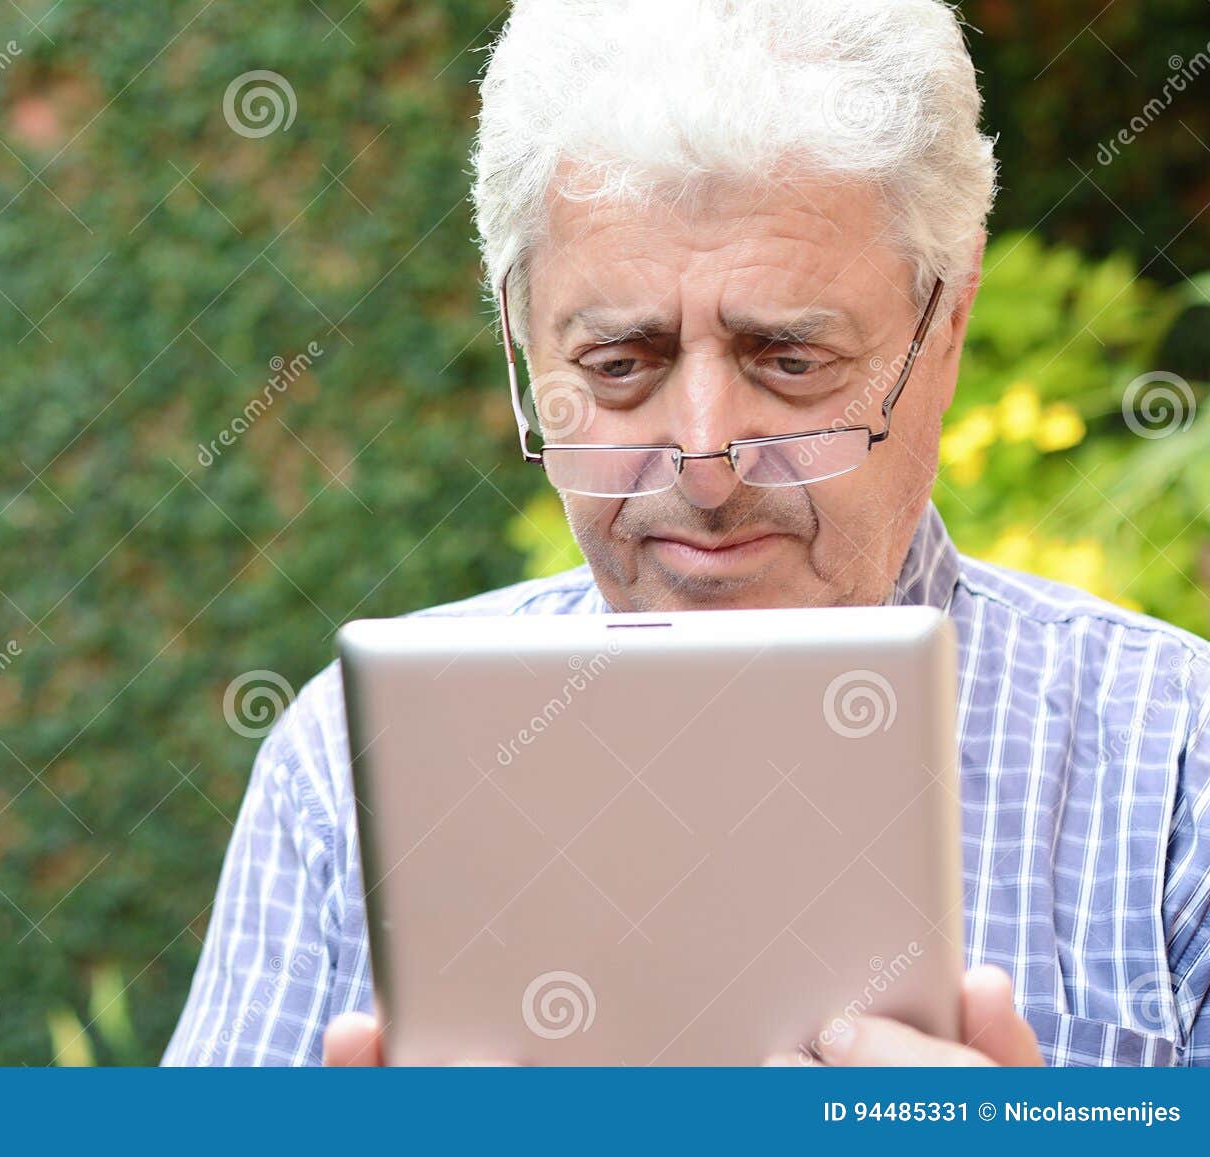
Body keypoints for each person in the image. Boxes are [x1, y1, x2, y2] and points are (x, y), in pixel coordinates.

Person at [164, 0, 1210, 1066]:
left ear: (945, 326)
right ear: (521, 336)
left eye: (790, 362)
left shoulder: (1179, 766)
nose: (706, 461)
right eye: (620, 365)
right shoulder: (346, 769)